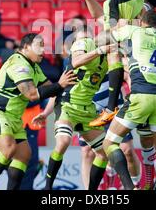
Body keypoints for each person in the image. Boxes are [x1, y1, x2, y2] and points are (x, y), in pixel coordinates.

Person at [0, 33, 77, 190]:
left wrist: (64, 88)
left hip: (14, 117)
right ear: (25, 47)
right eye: (39, 45)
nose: (43, 50)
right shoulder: (18, 64)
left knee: (24, 154)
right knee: (9, 148)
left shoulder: (34, 67)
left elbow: (50, 89)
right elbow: (31, 94)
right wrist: (60, 85)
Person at [102, 10, 156, 190]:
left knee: (109, 142)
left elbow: (109, 35)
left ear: (141, 22)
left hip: (140, 95)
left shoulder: (134, 31)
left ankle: (130, 188)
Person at [32, 27, 116, 190]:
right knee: (63, 142)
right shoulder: (82, 53)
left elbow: (125, 71)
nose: (81, 43)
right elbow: (60, 88)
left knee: (104, 152)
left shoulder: (108, 60)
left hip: (87, 111)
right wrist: (46, 113)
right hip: (68, 106)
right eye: (79, 40)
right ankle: (48, 188)